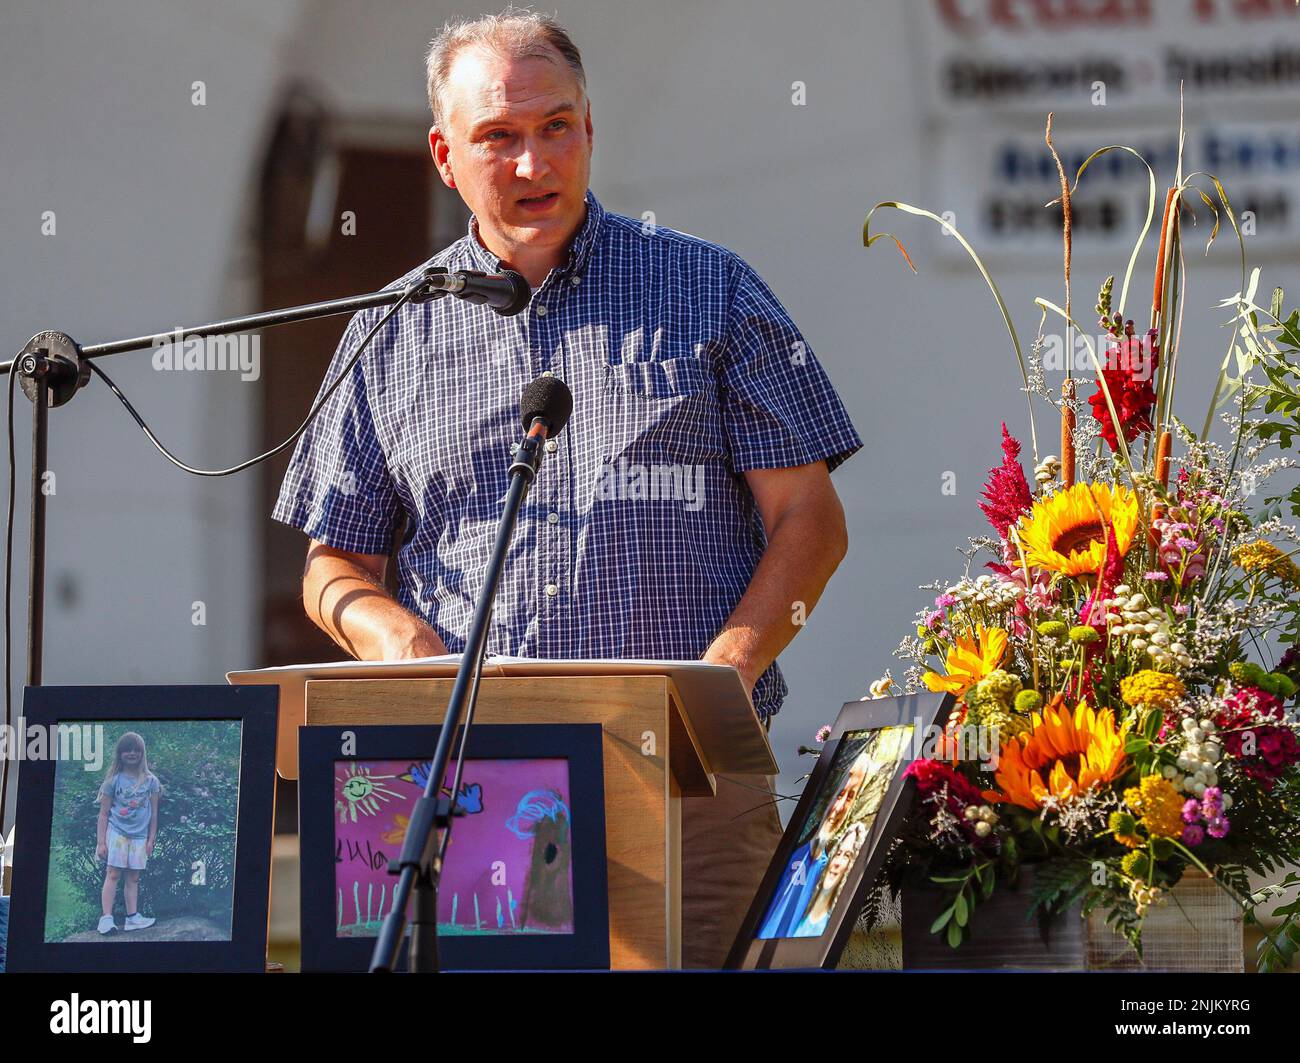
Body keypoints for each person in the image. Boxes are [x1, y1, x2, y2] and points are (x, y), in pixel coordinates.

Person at [273, 9, 861, 968]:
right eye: (498, 137)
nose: (532, 161)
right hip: (468, 787)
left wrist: (723, 675)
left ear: (590, 128)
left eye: (555, 127)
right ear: (443, 155)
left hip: (685, 784)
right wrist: (406, 645)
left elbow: (812, 520)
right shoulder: (388, 332)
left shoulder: (712, 292)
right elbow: (332, 564)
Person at [96, 732, 161, 933]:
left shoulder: (151, 782)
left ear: (142, 753)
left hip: (140, 837)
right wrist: (101, 842)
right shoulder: (113, 781)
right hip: (117, 834)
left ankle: (132, 917)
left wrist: (151, 839)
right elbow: (104, 814)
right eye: (127, 749)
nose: (132, 753)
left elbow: (154, 814)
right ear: (120, 753)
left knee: (133, 878)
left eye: (136, 749)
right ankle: (106, 918)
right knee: (113, 873)